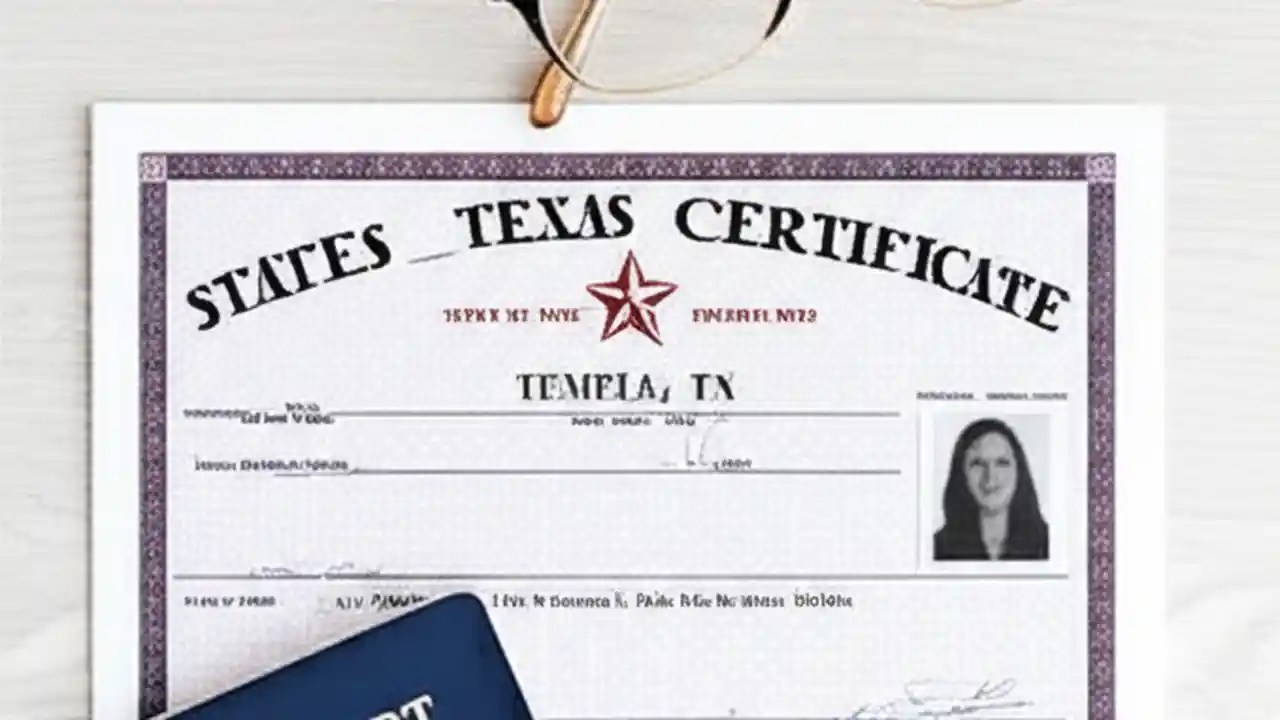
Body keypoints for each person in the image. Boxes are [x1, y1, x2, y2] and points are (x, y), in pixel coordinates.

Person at [934, 418, 1049, 561]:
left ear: (1019, 470)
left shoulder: (1051, 546)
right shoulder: (936, 549)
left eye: (1002, 463)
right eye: (977, 463)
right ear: (961, 473)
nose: (990, 477)